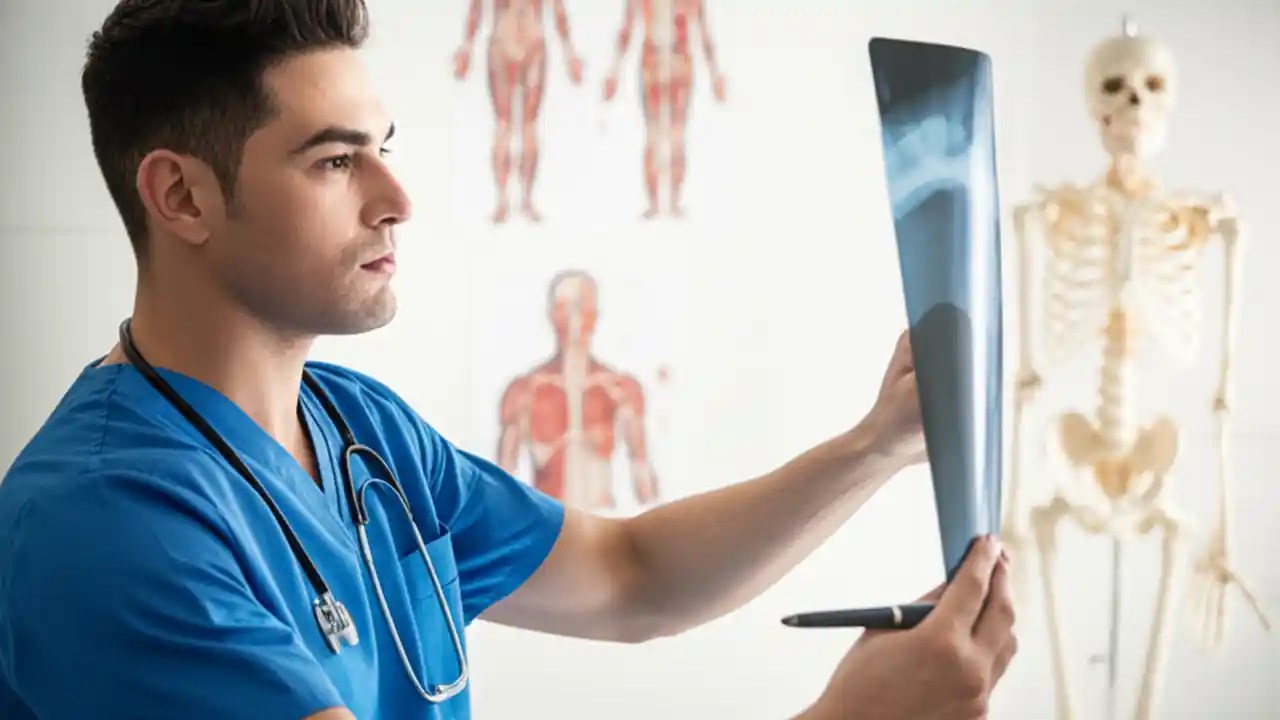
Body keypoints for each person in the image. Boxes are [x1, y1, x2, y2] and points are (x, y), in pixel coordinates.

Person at [0, 2, 1017, 719]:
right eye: (335, 159)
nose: (397, 196)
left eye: (383, 145)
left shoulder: (359, 432)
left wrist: (874, 446)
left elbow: (631, 578)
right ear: (180, 198)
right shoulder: (103, 527)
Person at [496, 270, 660, 511]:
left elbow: (645, 484)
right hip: (551, 531)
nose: (575, 319)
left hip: (604, 529)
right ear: (552, 315)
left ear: (595, 315)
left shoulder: (620, 390)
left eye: (581, 307)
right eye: (565, 308)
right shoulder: (524, 392)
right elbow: (501, 485)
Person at [453, 0, 583, 224]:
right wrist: (569, 52)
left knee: (515, 124)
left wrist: (467, 48)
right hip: (522, 39)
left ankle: (519, 200)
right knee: (514, 124)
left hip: (513, 38)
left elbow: (557, 10)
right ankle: (511, 200)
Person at [603, 0, 727, 219]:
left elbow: (701, 28)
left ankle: (668, 202)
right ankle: (660, 202)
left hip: (670, 61)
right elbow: (627, 29)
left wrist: (715, 74)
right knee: (658, 134)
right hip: (659, 61)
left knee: (672, 135)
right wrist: (614, 72)